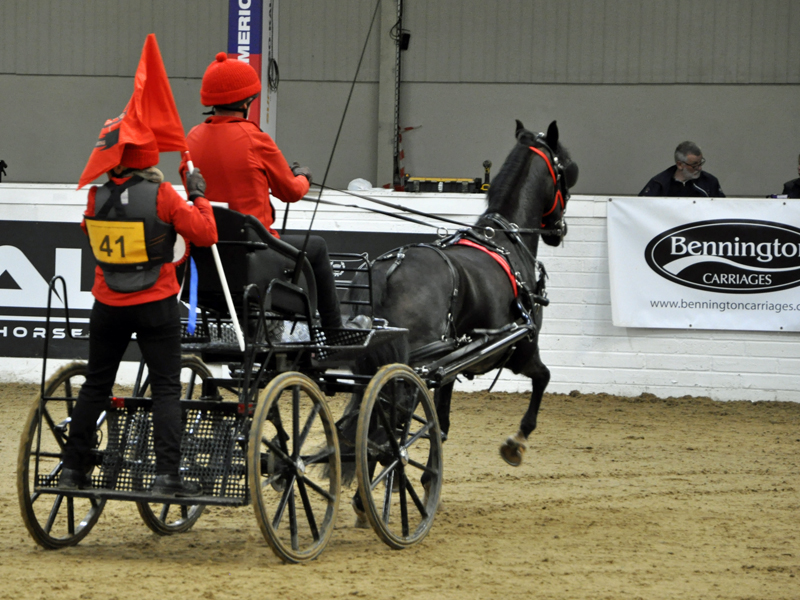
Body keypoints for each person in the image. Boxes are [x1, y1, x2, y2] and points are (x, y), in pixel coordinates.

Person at [60, 138, 218, 497]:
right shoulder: (162, 194)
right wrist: (197, 195)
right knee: (166, 388)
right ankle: (166, 476)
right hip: (154, 304)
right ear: (148, 160)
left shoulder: (94, 197)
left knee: (96, 385)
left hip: (107, 304)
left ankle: (72, 467)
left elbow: (91, 234)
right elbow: (206, 234)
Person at [185, 52, 366, 330]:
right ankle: (334, 332)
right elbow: (291, 192)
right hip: (255, 252)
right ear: (247, 101)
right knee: (316, 247)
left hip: (208, 258)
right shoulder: (255, 139)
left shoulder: (192, 139)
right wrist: (303, 176)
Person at [639, 141, 725, 197]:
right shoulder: (659, 184)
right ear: (680, 165)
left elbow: (722, 208)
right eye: (694, 165)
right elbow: (640, 208)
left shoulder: (710, 182)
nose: (699, 168)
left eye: (700, 162)